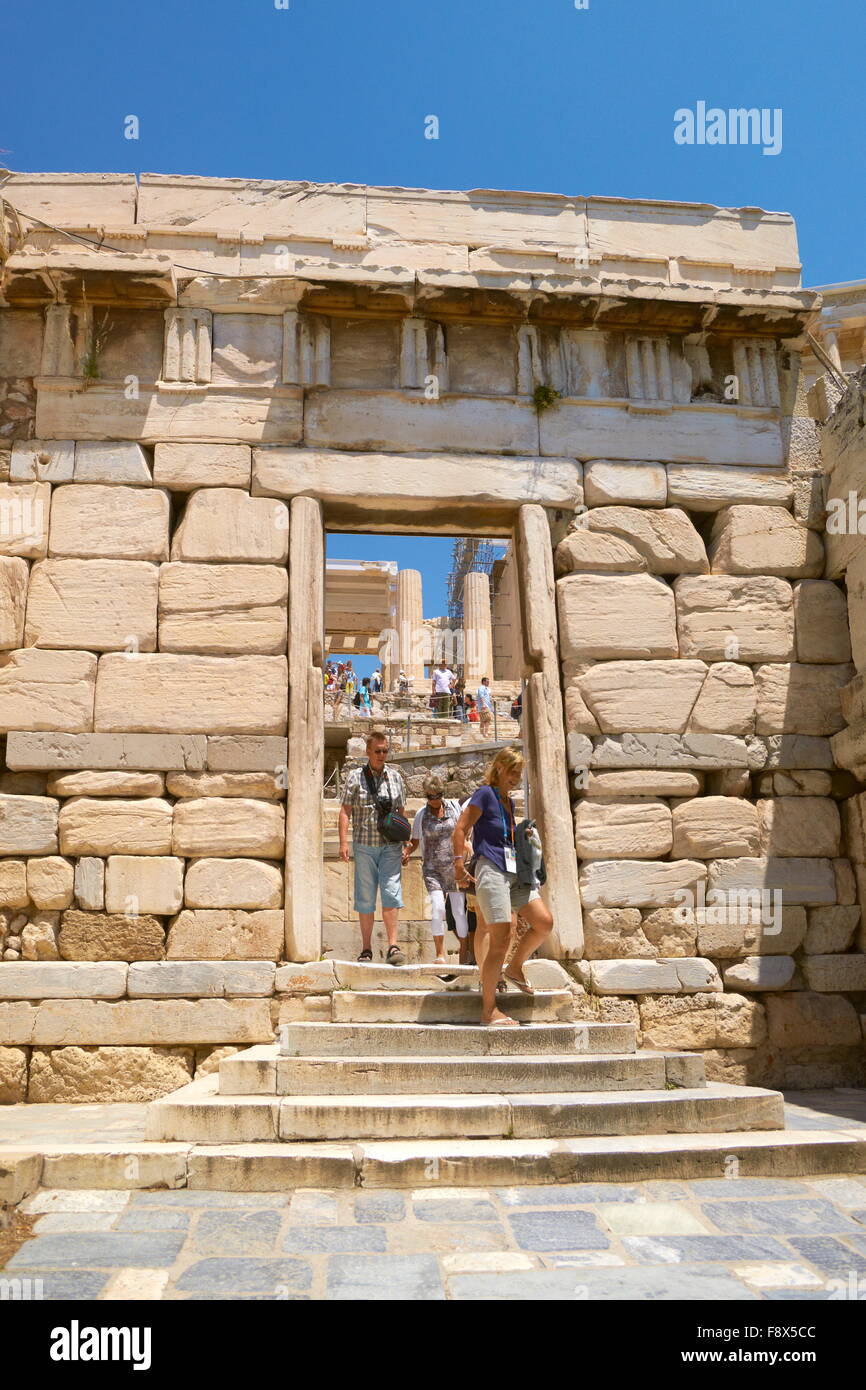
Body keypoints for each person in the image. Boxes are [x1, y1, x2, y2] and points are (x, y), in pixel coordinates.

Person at [452, 747, 553, 1027]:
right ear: (498, 769)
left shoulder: (508, 802)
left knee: (543, 922)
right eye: (512, 772)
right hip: (492, 869)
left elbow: (505, 837)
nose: (516, 778)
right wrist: (459, 863)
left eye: (519, 774)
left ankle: (515, 967)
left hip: (514, 872)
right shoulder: (485, 794)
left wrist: (524, 834)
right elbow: (460, 828)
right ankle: (488, 1011)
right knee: (500, 936)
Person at [339, 729, 407, 965]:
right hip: (365, 845)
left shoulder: (395, 777)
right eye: (377, 751)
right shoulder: (355, 777)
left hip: (390, 845)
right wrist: (343, 842)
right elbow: (345, 811)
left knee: (391, 892)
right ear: (368, 751)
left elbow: (401, 813)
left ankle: (393, 946)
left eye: (385, 751)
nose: (382, 754)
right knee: (365, 896)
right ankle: (366, 948)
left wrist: (406, 842)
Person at [405, 774, 470, 965]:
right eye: (431, 796)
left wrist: (467, 848)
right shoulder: (420, 815)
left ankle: (464, 954)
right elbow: (415, 840)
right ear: (426, 796)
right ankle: (440, 954)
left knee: (458, 911)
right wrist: (407, 851)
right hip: (432, 869)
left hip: (454, 868)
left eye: (438, 795)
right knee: (438, 909)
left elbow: (463, 831)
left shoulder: (455, 808)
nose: (435, 800)